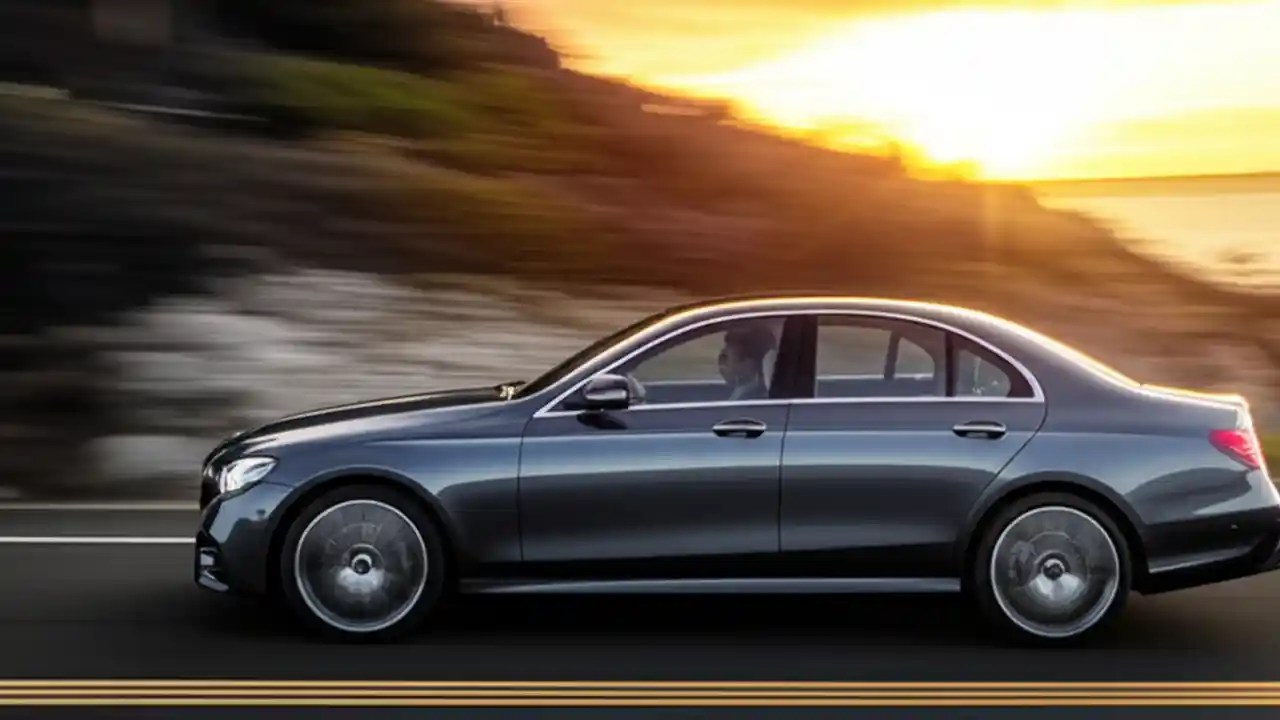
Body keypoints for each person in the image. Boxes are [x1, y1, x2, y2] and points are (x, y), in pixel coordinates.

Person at [718, 323, 776, 401]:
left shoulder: (750, 401)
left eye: (724, 358)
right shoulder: (741, 391)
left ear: (749, 362)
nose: (720, 366)